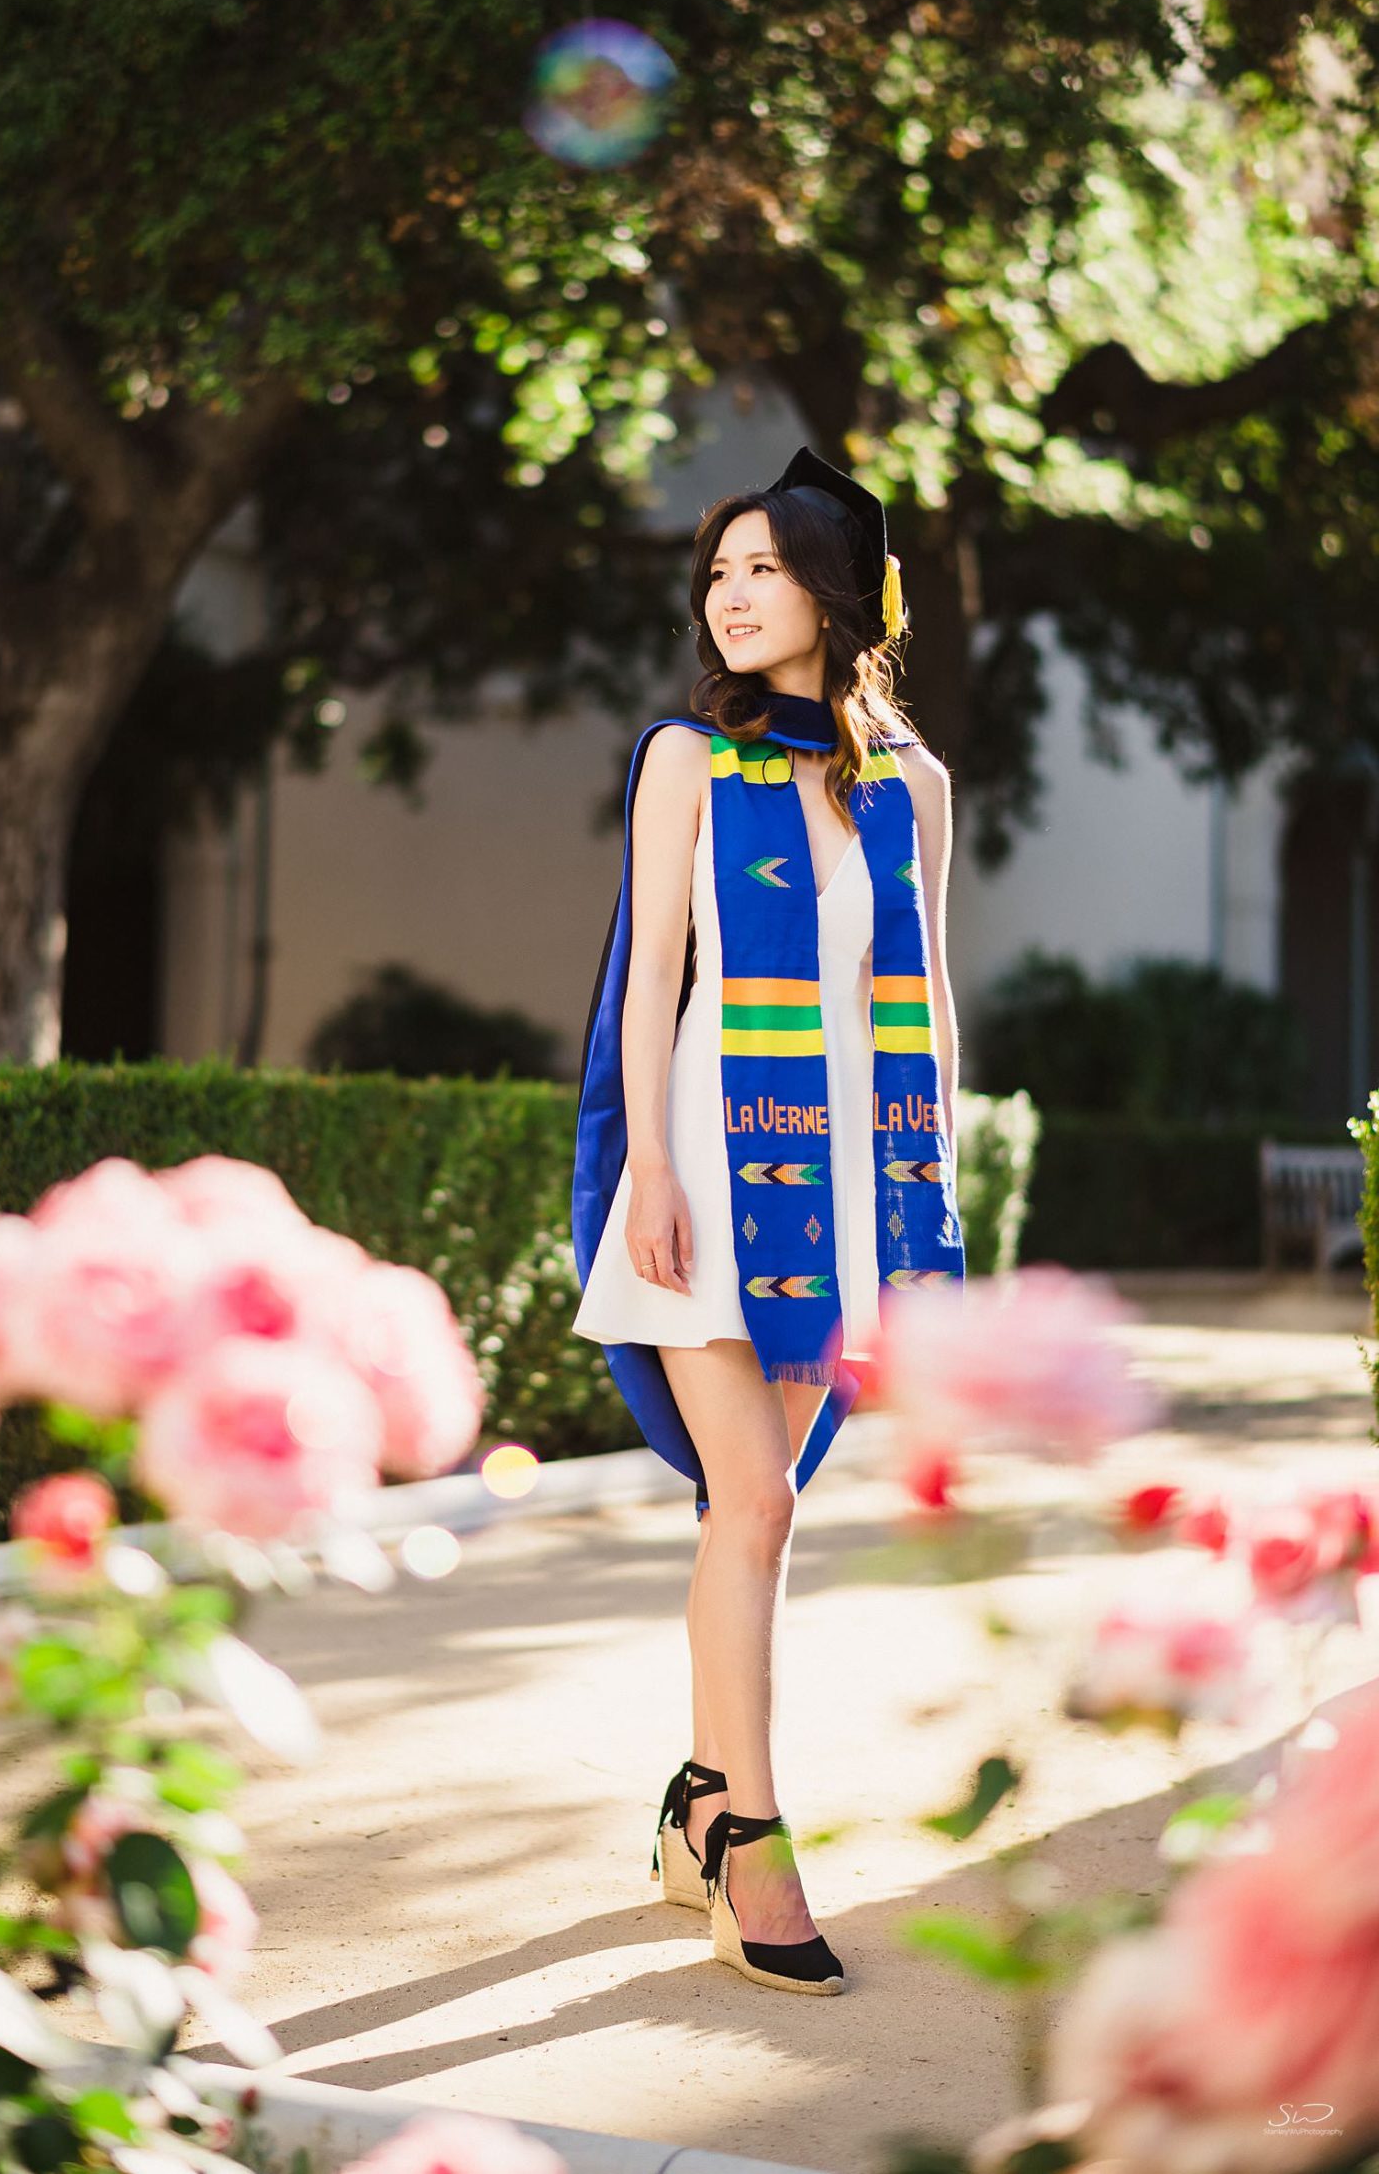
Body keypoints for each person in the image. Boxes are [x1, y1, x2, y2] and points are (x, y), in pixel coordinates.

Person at [570, 446, 966, 1997]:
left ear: (833, 593)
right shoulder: (684, 758)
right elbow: (649, 976)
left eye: (760, 568)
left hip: (842, 1192)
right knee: (759, 1505)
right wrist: (648, 1177)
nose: (730, 595)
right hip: (706, 1183)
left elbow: (923, 994)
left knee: (747, 1508)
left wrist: (930, 1203)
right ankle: (755, 1842)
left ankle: (694, 1808)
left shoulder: (910, 784)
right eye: (716, 573)